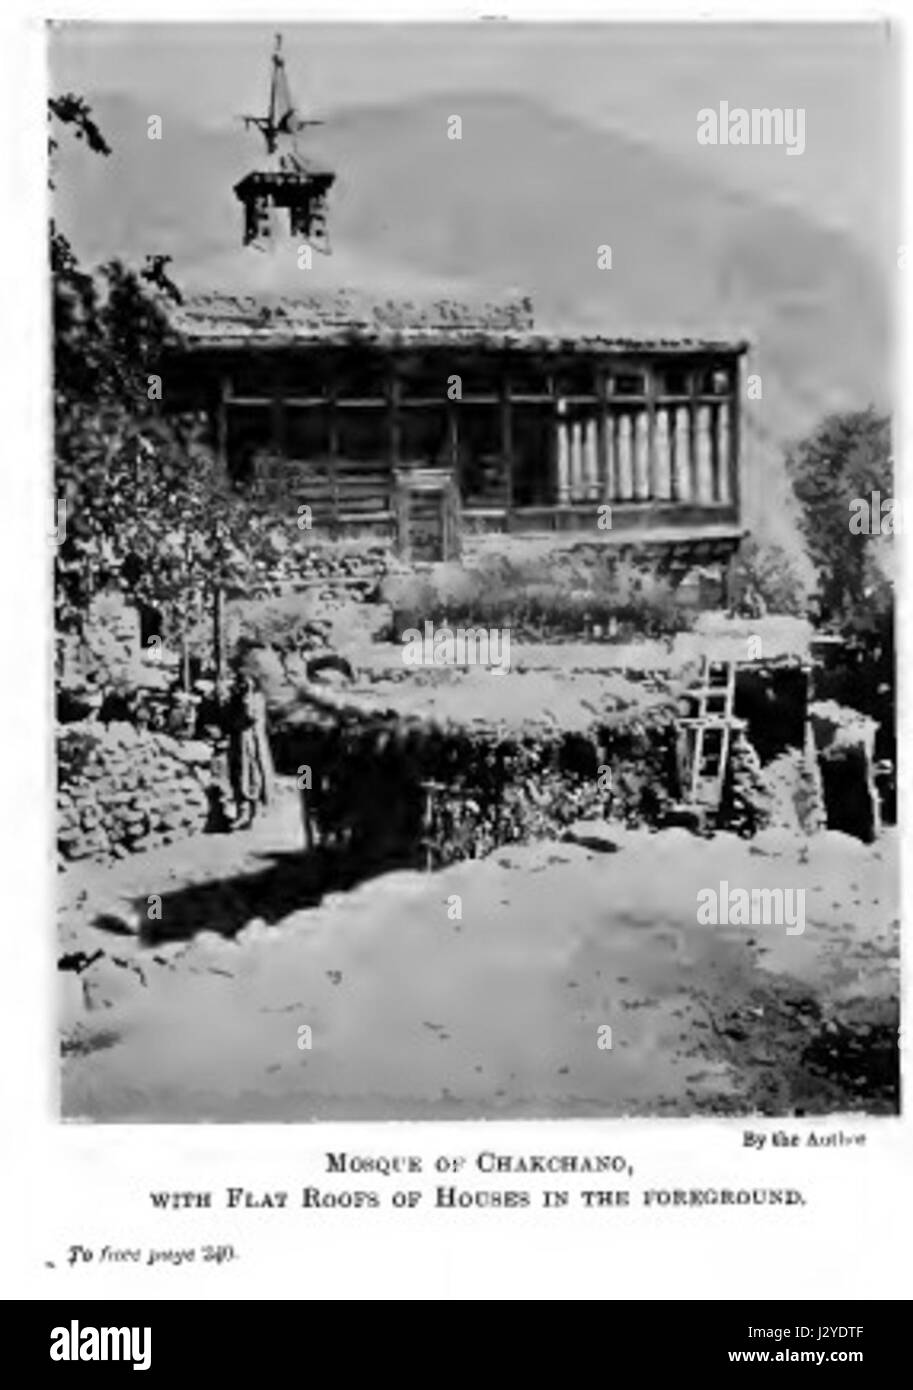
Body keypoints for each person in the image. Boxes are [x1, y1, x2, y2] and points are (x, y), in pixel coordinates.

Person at [225, 671, 272, 829]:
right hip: (240, 742)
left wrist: (246, 698)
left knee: (253, 773)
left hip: (252, 741)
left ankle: (253, 810)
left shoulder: (256, 698)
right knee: (240, 773)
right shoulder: (236, 698)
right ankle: (243, 811)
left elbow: (250, 716)